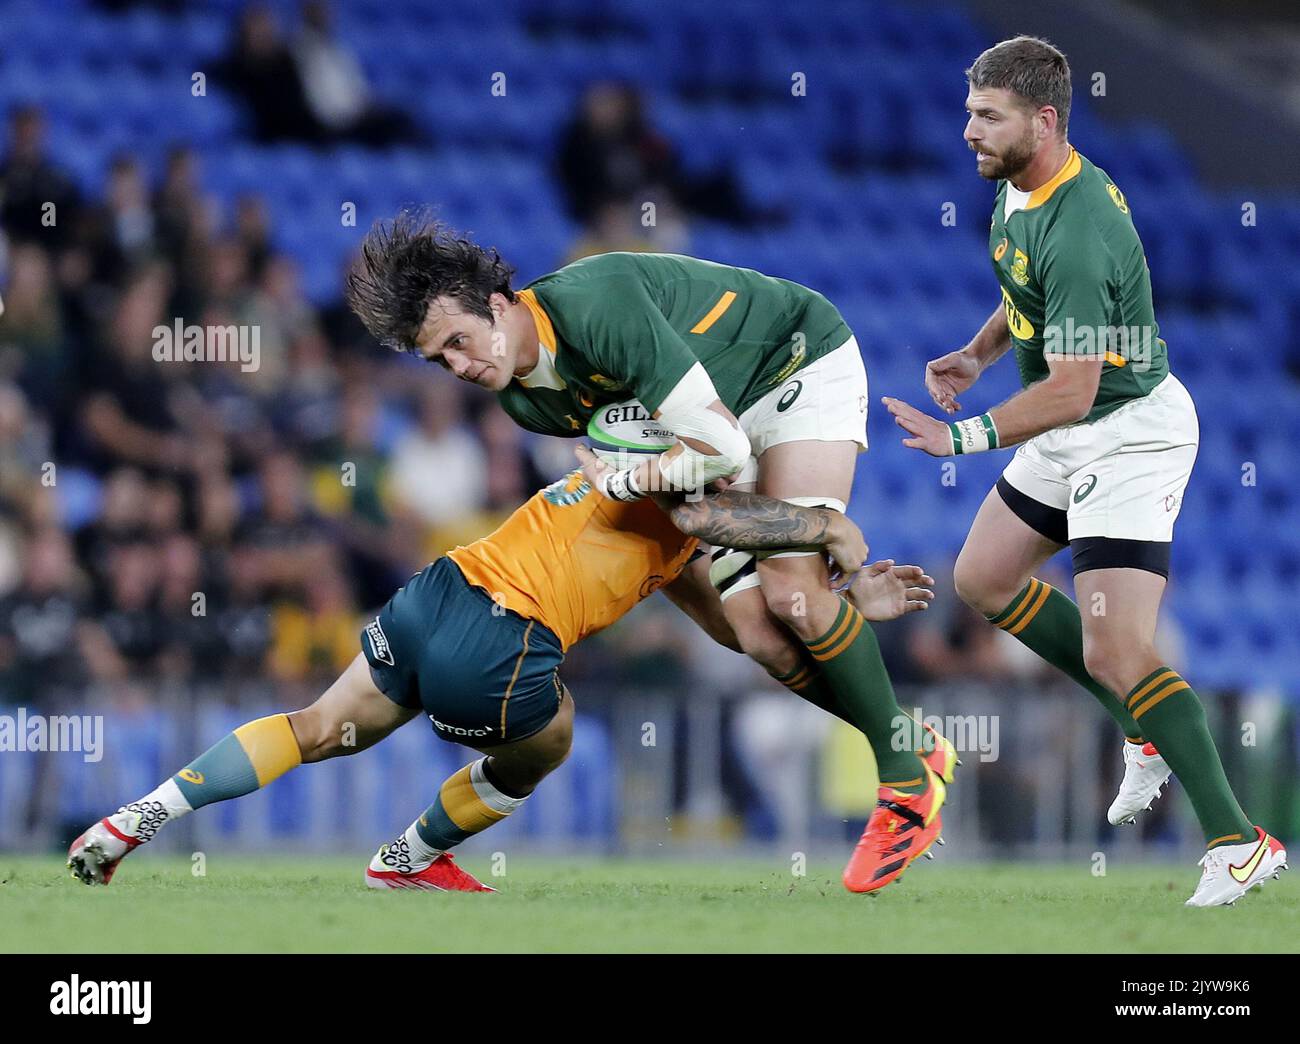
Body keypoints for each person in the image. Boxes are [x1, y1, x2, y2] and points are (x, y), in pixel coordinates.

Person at [346, 216, 952, 892]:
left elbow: (715, 451)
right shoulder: (526, 402)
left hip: (791, 364)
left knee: (793, 596)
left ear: (496, 304)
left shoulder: (594, 307)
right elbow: (690, 497)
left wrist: (638, 481)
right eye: (440, 360)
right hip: (712, 428)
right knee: (751, 632)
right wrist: (806, 535)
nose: (458, 367)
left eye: (457, 342)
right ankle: (910, 738)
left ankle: (904, 786)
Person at [67, 472, 936, 892]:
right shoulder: (668, 483)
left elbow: (742, 631)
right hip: (501, 637)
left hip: (435, 593)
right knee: (549, 739)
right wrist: (818, 525)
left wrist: (843, 603)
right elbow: (710, 509)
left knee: (315, 726)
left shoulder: (674, 547)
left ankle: (130, 822)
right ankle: (407, 859)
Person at [880, 36, 1287, 907]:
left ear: (1045, 119)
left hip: (1128, 432)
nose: (969, 132)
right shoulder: (1022, 187)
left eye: (987, 116)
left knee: (1116, 646)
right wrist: (981, 353)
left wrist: (963, 437)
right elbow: (1021, 287)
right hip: (1076, 425)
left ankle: (1239, 841)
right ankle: (1139, 733)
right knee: (983, 578)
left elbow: (1070, 389)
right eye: (968, 113)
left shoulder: (1084, 227)